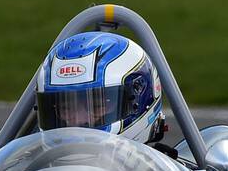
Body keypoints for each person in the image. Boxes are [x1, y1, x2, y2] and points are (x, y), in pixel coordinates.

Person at [35, 32, 166, 144]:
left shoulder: (164, 167)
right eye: (66, 108)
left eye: (97, 106)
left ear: (138, 102)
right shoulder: (34, 164)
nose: (79, 121)